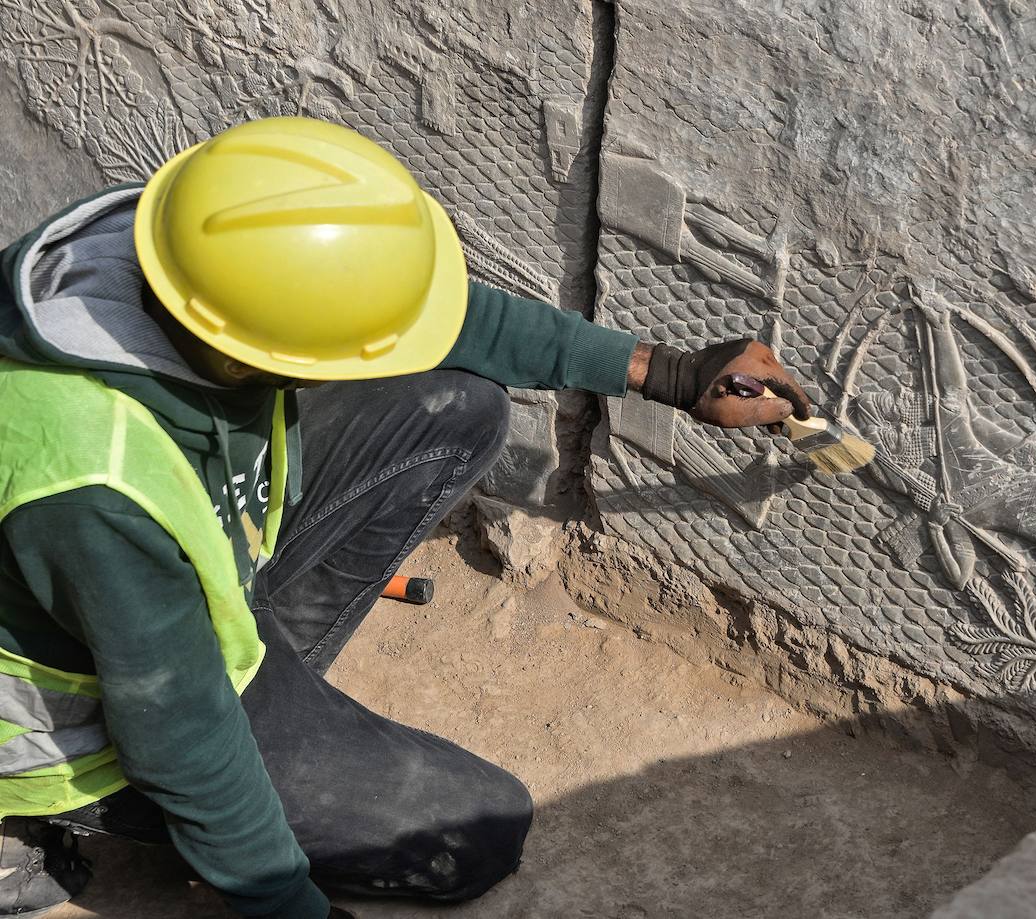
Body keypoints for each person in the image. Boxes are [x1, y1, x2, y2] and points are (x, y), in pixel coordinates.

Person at [0, 116, 810, 918]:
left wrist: (670, 371)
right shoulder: (89, 481)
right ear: (255, 350)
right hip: (97, 726)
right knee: (474, 832)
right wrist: (283, 899)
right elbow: (177, 736)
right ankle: (41, 822)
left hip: (182, 595)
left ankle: (284, 717)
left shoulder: (185, 246)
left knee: (453, 405)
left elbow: (442, 321)